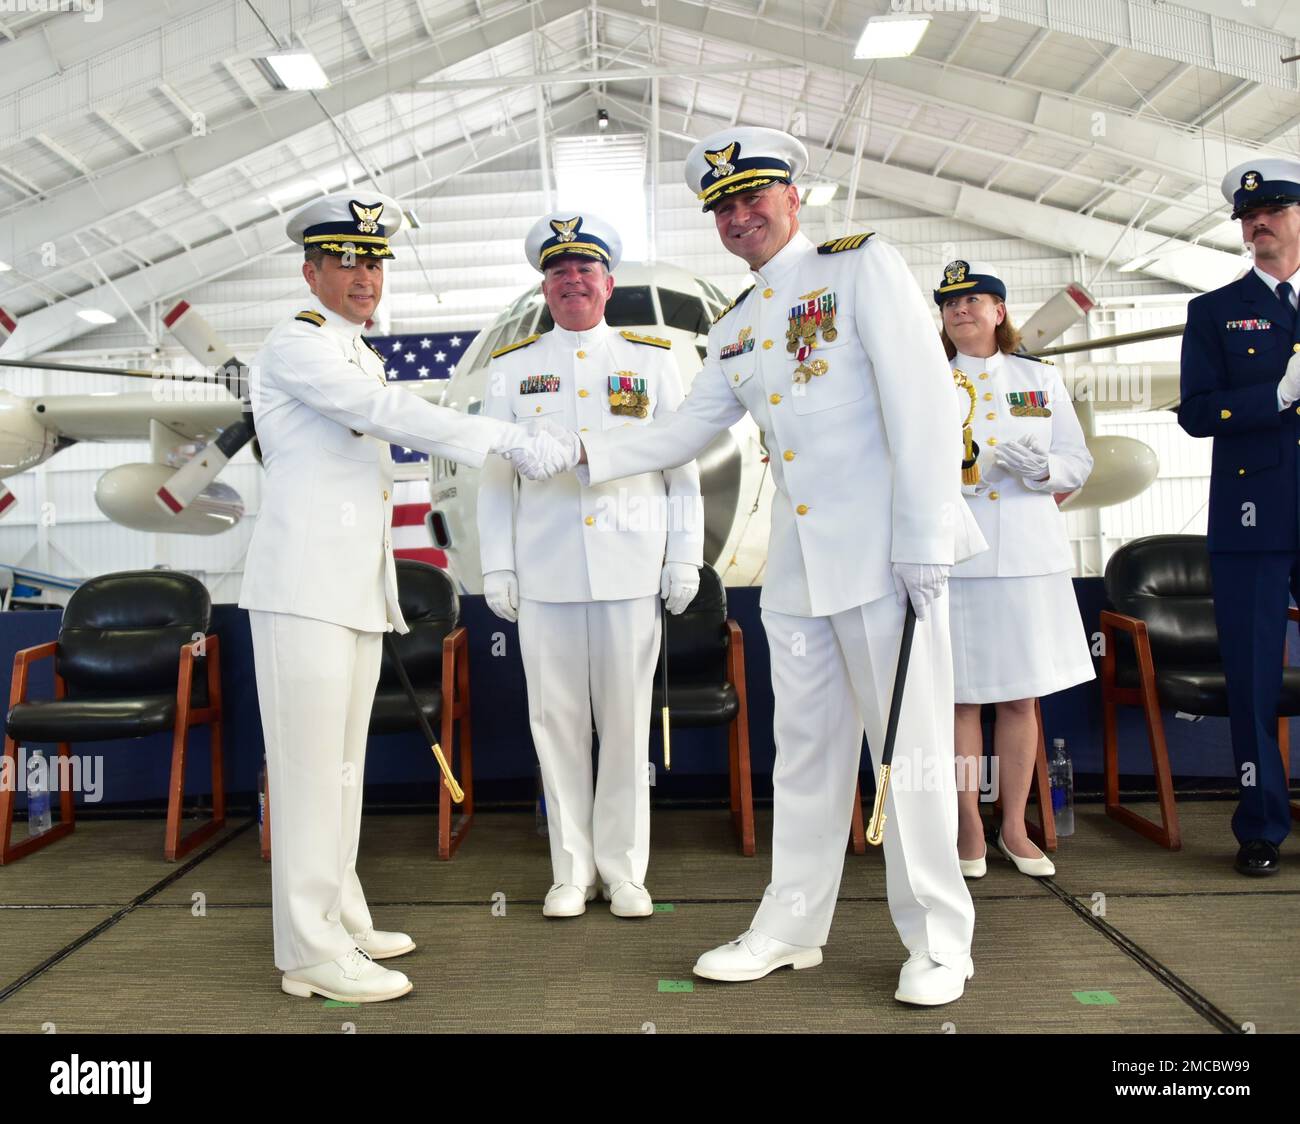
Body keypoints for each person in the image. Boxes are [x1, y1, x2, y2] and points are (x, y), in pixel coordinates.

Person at [558, 127, 986, 1006]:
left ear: (794, 197)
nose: (739, 215)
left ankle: (941, 942)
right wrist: (575, 450)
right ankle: (792, 926)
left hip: (887, 559)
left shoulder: (861, 267)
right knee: (804, 758)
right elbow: (685, 432)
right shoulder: (739, 325)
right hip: (796, 575)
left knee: (909, 757)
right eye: (722, 206)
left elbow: (927, 403)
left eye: (753, 196)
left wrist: (925, 536)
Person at [239, 193, 563, 1001]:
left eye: (375, 260)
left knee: (341, 772)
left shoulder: (358, 350)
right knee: (310, 773)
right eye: (346, 260)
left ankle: (341, 918)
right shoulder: (298, 345)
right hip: (302, 587)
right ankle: (307, 953)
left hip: (349, 588)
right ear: (310, 270)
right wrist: (504, 435)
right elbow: (382, 415)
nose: (365, 276)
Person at [477, 212, 703, 918]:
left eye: (584, 270)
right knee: (557, 726)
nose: (572, 281)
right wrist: (498, 566)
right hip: (545, 575)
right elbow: (493, 477)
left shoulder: (651, 359)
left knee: (629, 724)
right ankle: (571, 870)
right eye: (558, 272)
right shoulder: (512, 371)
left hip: (631, 570)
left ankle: (626, 870)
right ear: (544, 287)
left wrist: (683, 557)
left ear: (609, 283)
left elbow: (681, 468)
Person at [935, 260, 1094, 879]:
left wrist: (1043, 471)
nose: (962, 311)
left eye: (975, 300)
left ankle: (1013, 826)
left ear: (1000, 311)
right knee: (961, 701)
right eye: (950, 304)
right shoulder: (927, 381)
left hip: (1028, 556)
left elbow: (1077, 461)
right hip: (958, 556)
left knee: (1021, 699)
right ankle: (968, 826)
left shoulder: (1039, 378)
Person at [1178, 156, 1300, 876]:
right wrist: (1278, 393)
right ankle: (1260, 825)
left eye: (1275, 210)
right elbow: (1197, 414)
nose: (1260, 222)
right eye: (1250, 216)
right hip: (1253, 519)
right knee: (1254, 681)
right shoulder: (1215, 312)